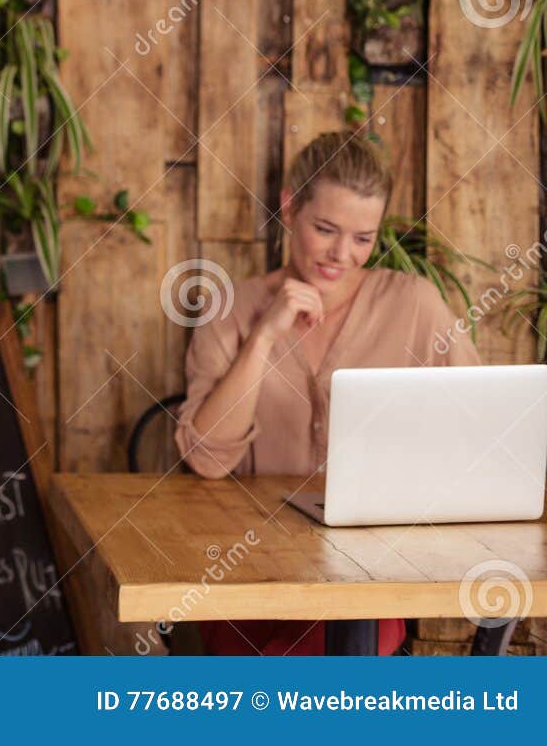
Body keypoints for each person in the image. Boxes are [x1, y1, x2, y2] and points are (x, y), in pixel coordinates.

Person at [176, 131, 480, 655]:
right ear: (290, 207)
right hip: (247, 574)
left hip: (365, 579)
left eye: (363, 238)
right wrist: (265, 336)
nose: (342, 254)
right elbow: (206, 459)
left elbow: (481, 429)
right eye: (325, 229)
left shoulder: (415, 304)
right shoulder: (232, 310)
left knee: (343, 637)